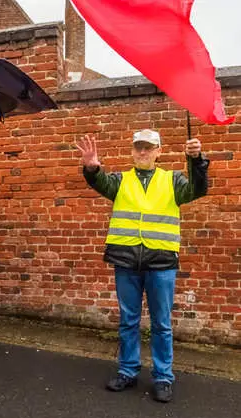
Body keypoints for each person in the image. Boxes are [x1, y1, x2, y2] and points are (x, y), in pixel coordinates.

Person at [77, 129, 209, 403]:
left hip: (161, 263)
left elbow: (197, 189)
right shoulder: (120, 181)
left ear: (159, 151)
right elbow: (100, 181)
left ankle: (162, 377)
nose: (143, 152)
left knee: (161, 323)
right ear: (132, 151)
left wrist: (196, 161)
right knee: (128, 320)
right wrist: (91, 168)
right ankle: (127, 370)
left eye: (149, 147)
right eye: (139, 147)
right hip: (126, 261)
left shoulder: (172, 180)